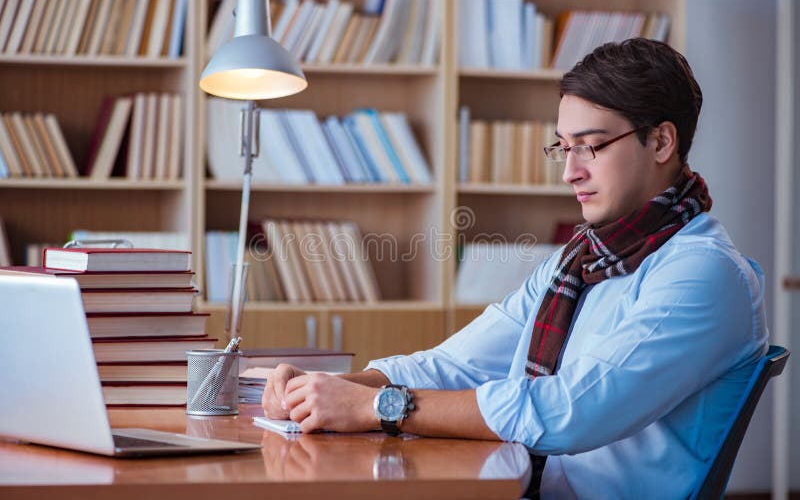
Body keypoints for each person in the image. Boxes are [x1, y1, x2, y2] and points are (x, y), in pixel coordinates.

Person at [261, 38, 768, 499]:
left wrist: (375, 408)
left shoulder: (703, 274)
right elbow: (457, 364)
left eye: (589, 146)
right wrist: (330, 390)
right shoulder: (581, 259)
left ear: (660, 142)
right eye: (563, 147)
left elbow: (566, 411)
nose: (570, 172)